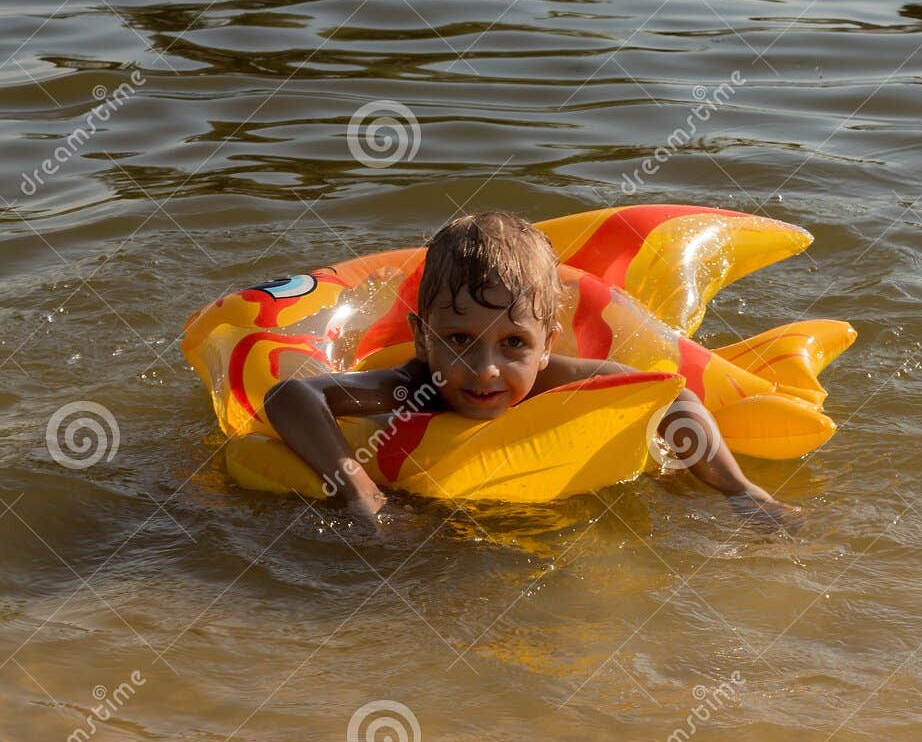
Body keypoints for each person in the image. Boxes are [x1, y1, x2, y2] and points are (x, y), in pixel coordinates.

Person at [263, 210, 796, 533]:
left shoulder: (557, 378)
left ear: (547, 347)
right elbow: (290, 396)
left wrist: (741, 491)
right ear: (424, 337)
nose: (485, 368)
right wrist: (360, 493)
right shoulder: (415, 384)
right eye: (458, 340)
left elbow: (672, 398)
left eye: (513, 343)